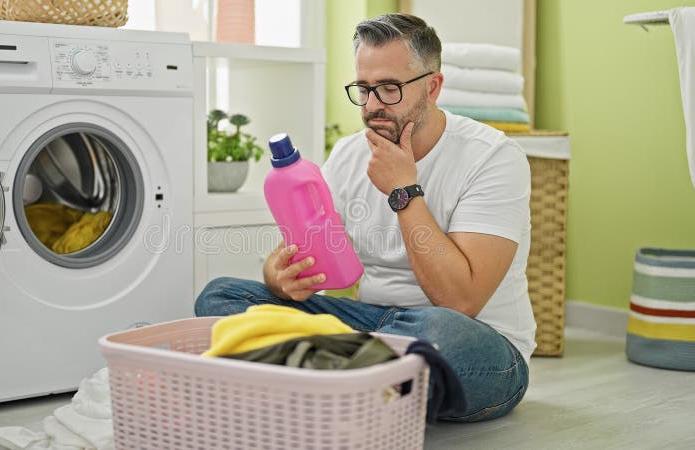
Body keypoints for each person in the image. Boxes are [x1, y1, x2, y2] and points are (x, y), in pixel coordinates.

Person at [195, 13, 535, 422]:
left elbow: (460, 300)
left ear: (433, 86)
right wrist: (278, 275)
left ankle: (315, 384)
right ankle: (349, 387)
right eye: (364, 89)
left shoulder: (494, 157)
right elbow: (313, 253)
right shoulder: (348, 153)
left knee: (446, 336)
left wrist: (403, 191)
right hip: (370, 327)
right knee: (222, 297)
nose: (372, 106)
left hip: (474, 342)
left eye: (389, 89)